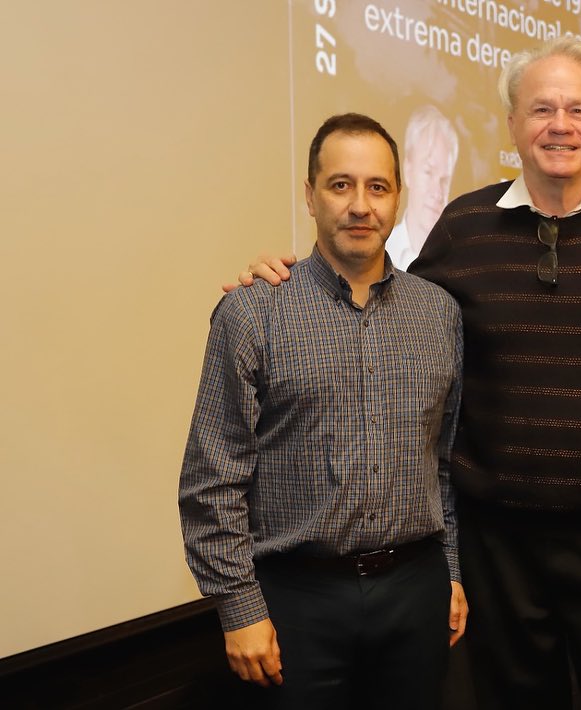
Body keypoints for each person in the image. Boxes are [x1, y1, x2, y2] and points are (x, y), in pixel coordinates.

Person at [233, 37, 581, 710]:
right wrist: (289, 278)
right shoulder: (465, 226)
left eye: (577, 110)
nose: (560, 126)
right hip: (499, 546)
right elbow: (384, 302)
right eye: (540, 110)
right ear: (510, 126)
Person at [179, 112, 467, 709]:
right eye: (341, 185)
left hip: (417, 591)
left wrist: (452, 569)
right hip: (295, 600)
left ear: (396, 198)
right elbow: (213, 478)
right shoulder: (252, 312)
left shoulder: (440, 315)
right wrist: (238, 608)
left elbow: (443, 463)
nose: (360, 205)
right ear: (310, 196)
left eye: (377, 187)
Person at [385, 104, 459, 270]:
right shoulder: (380, 252)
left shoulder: (460, 262)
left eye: (444, 179)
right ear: (408, 170)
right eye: (428, 172)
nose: (437, 192)